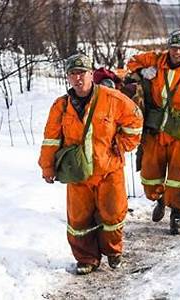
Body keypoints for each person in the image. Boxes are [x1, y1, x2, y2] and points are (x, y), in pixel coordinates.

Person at [38, 53, 143, 275]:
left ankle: (113, 251)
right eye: (73, 74)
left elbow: (135, 120)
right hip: (78, 174)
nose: (78, 78)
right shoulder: (61, 106)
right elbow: (51, 139)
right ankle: (86, 258)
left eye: (82, 73)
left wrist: (123, 143)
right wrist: (47, 167)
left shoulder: (112, 98)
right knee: (79, 220)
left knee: (112, 214)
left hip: (109, 169)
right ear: (68, 77)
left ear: (91, 74)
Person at [126, 29, 180, 235]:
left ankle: (176, 214)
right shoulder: (155, 60)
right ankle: (159, 199)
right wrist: (142, 72)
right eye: (173, 48)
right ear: (168, 48)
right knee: (149, 174)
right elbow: (131, 63)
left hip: (179, 133)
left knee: (179, 176)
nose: (177, 52)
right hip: (154, 130)